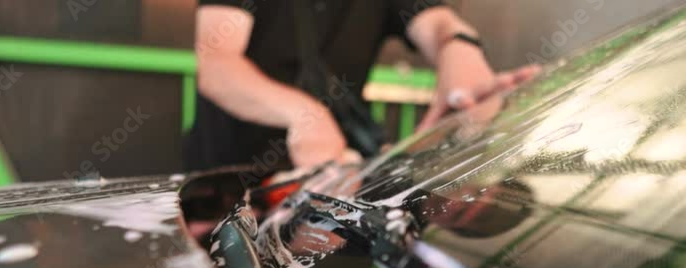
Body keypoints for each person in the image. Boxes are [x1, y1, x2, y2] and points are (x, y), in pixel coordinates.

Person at [183, 0, 540, 172]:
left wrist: (460, 50)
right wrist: (305, 115)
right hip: (228, 181)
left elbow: (439, 23)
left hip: (332, 179)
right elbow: (216, 65)